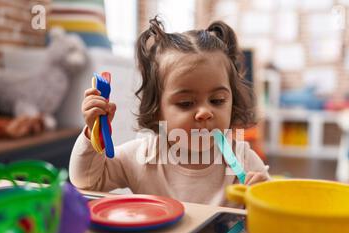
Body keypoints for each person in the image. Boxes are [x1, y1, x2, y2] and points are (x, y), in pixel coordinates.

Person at [69, 17, 271, 207]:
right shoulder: (141, 157)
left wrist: (261, 196)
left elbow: (270, 211)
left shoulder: (244, 161)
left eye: (217, 101)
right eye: (186, 103)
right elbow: (86, 182)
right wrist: (92, 133)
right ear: (156, 109)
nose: (205, 112)